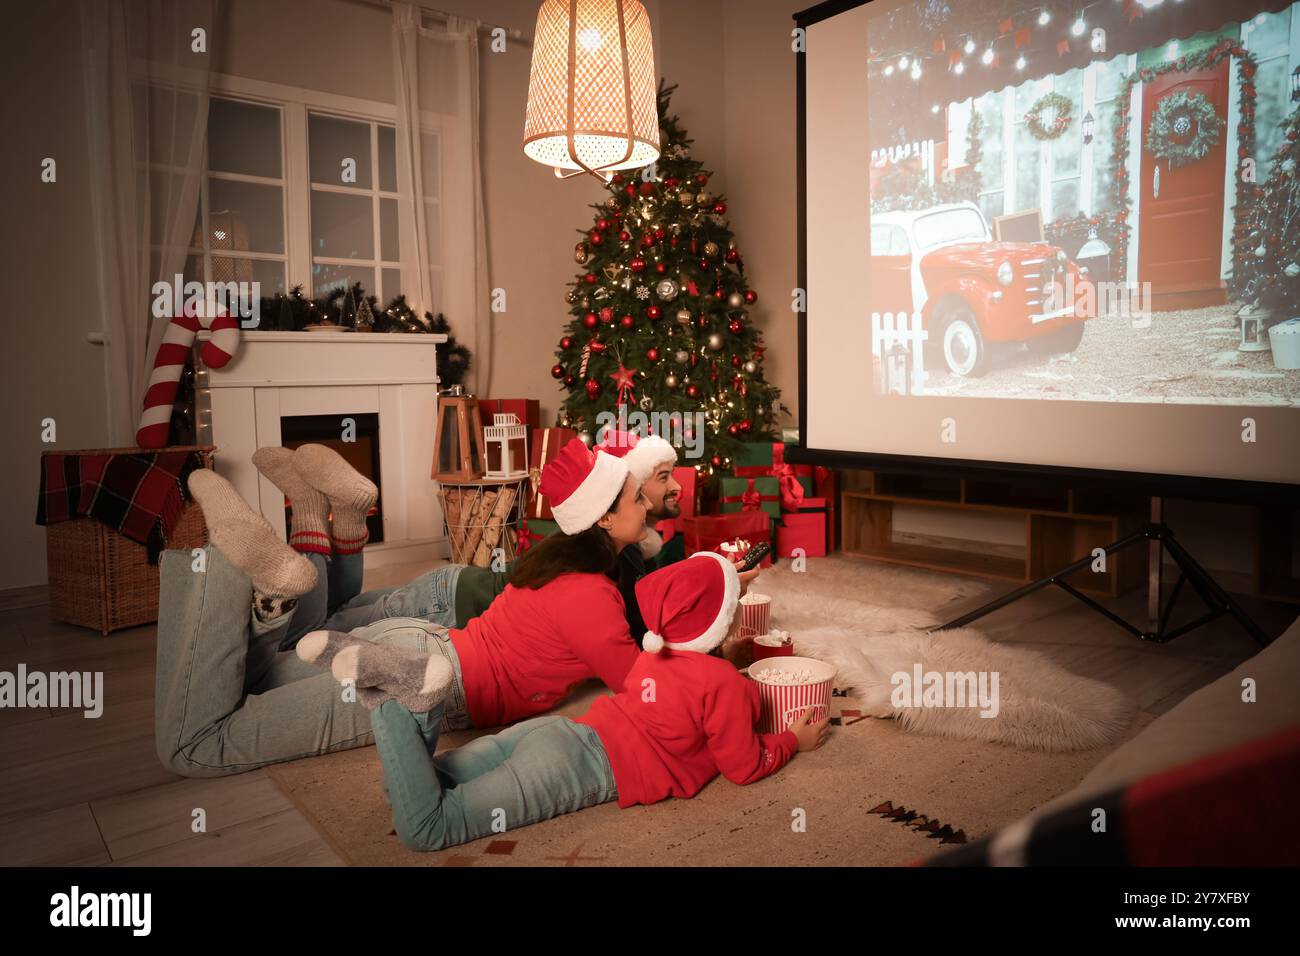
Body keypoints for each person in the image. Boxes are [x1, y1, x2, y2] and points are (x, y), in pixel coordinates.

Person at [154, 438, 646, 776]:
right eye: (638, 498)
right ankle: (226, 573)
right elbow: (641, 686)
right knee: (193, 748)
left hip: (415, 640)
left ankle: (273, 596)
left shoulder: (549, 563)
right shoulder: (592, 595)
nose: (647, 505)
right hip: (420, 677)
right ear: (603, 517)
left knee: (256, 679)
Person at [341, 550, 830, 851]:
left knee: (406, 788)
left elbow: (689, 678)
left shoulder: (651, 657)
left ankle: (399, 687)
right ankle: (398, 700)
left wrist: (726, 658)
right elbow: (743, 765)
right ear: (723, 623)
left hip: (560, 731)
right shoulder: (724, 684)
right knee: (427, 828)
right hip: (580, 768)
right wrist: (791, 739)